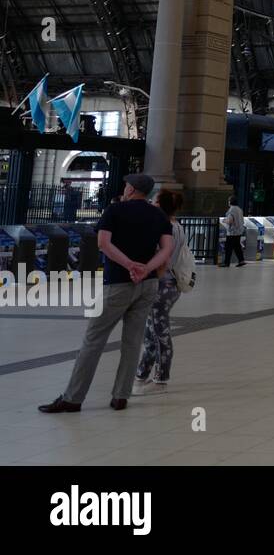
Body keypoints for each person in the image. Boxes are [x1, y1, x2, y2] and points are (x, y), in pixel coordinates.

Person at [39, 174, 174, 413]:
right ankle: (121, 396)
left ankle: (73, 398)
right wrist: (146, 268)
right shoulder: (159, 215)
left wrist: (129, 265)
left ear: (131, 189)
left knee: (94, 339)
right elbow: (167, 249)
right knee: (133, 342)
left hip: (118, 284)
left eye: (126, 185)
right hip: (148, 284)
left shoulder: (115, 211)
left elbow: (103, 243)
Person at [131, 189, 188, 395]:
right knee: (152, 330)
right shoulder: (178, 227)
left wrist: (151, 279)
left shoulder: (165, 228)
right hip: (170, 284)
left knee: (160, 331)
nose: (151, 204)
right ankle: (142, 373)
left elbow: (162, 259)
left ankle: (161, 378)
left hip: (162, 284)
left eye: (155, 201)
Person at [221, 196, 246, 267]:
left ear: (230, 202)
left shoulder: (231, 210)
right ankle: (241, 260)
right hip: (239, 231)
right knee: (237, 246)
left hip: (232, 232)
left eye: (228, 201)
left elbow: (230, 221)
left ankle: (226, 263)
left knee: (228, 248)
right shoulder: (239, 209)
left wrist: (224, 220)